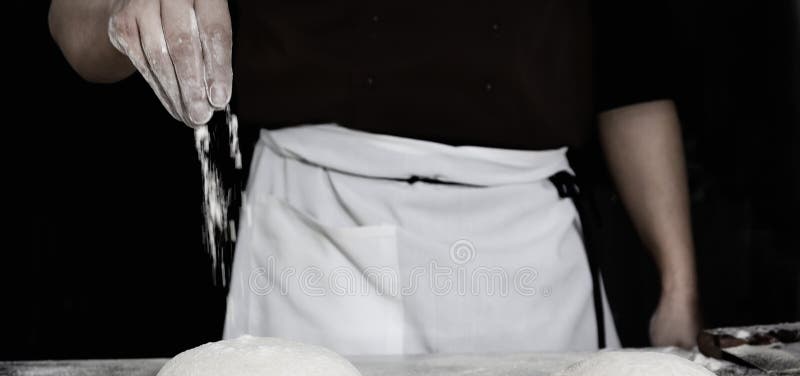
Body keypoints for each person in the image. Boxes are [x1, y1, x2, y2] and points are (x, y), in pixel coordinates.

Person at [49, 0, 701, 354]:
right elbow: (78, 31)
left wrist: (678, 287)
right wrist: (123, 12)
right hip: (318, 233)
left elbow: (633, 79)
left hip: (531, 251)